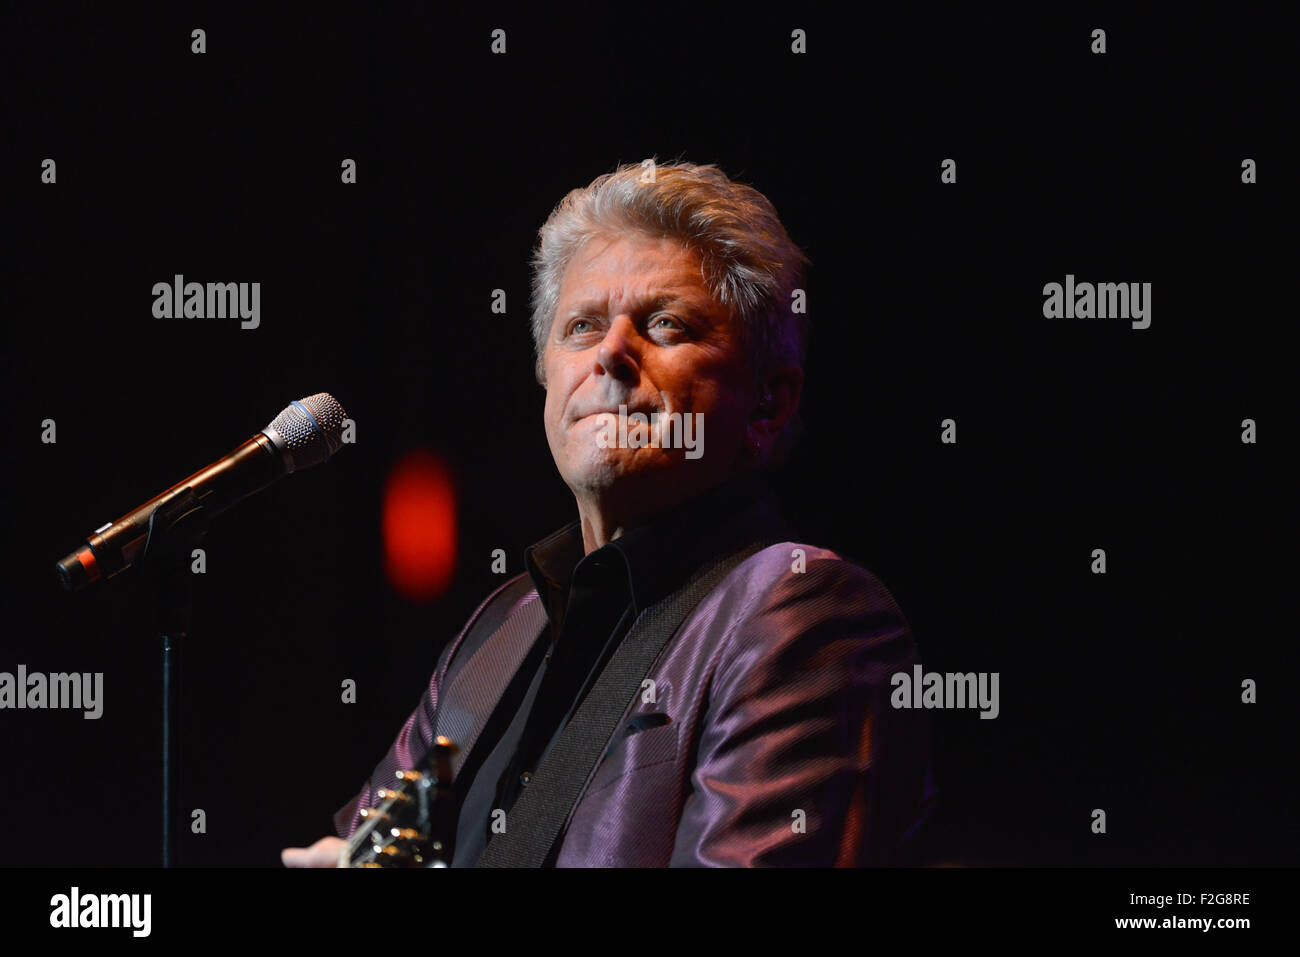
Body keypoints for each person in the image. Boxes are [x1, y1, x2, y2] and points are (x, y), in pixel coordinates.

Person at [283, 159, 936, 867]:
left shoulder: (805, 614)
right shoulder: (502, 624)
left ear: (769, 404)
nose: (612, 352)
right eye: (581, 326)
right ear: (545, 381)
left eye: (665, 323)